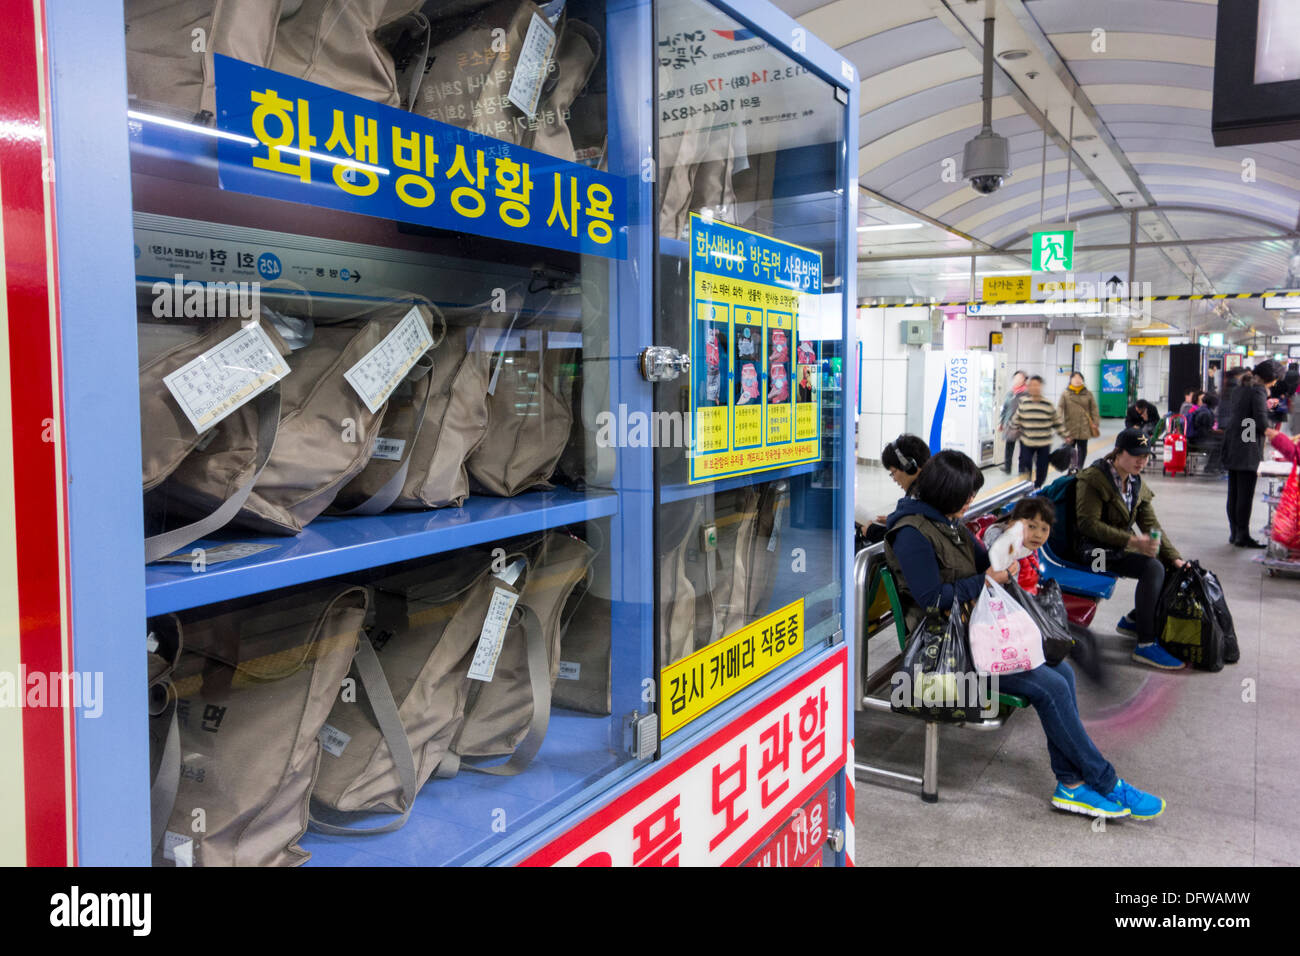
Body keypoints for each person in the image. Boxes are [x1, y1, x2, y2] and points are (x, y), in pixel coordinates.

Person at [884, 450, 1166, 820]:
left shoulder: (948, 524)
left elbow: (983, 563)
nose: (971, 501)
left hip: (980, 633)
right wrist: (983, 580)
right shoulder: (912, 534)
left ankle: (1071, 784)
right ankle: (1105, 781)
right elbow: (932, 598)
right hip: (950, 652)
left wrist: (1007, 553)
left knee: (1060, 672)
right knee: (1051, 686)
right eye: (967, 495)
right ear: (946, 493)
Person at [1073, 428, 1202, 669]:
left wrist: (1175, 559)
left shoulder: (1134, 483)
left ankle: (1135, 619)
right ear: (1118, 452)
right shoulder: (1094, 479)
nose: (1142, 461)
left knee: (1167, 565)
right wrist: (1132, 541)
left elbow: (1152, 525)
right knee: (1152, 567)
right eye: (1135, 455)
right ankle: (1145, 645)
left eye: (1145, 455)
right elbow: (1088, 525)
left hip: (1116, 547)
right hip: (1093, 551)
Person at [1221, 359, 1283, 548]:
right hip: (1246, 446)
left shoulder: (1241, 388)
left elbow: (1247, 417)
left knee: (1234, 492)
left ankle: (1234, 533)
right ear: (1270, 377)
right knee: (1245, 493)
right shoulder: (1258, 390)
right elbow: (1260, 421)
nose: (1275, 383)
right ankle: (1243, 535)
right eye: (1275, 379)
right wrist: (1275, 434)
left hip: (1234, 441)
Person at [857, 434, 932, 546]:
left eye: (893, 472)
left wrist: (872, 532)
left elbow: (908, 539)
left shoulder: (919, 499)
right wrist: (897, 520)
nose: (894, 479)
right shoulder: (932, 487)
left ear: (909, 466)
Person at [983, 496, 1055, 595]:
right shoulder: (1000, 544)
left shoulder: (1028, 545)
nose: (1038, 535)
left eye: (1044, 529)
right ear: (1014, 522)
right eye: (1032, 526)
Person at [1010, 375, 1068, 488]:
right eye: (1031, 385)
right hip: (1027, 441)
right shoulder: (1024, 403)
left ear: (1041, 387)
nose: (1034, 387)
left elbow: (1056, 421)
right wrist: (1013, 427)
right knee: (1025, 465)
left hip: (1044, 443)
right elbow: (1016, 419)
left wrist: (1065, 435)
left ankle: (1038, 486)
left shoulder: (1048, 404)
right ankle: (1025, 487)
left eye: (1037, 385)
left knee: (1042, 467)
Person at [1059, 372, 1101, 468]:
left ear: (1082, 380)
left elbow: (1094, 408)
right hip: (1070, 426)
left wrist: (1095, 422)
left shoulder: (1088, 394)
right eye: (1075, 378)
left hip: (1084, 426)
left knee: (1082, 448)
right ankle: (1072, 467)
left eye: (1079, 378)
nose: (1077, 380)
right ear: (1070, 380)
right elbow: (1060, 409)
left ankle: (1079, 467)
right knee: (1069, 448)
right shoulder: (1065, 394)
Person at [999, 369, 1028, 475]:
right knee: (1009, 446)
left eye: (1020, 378)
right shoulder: (1010, 393)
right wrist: (1001, 422)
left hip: (1023, 425)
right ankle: (1007, 467)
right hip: (1010, 424)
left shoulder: (1027, 393)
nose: (1018, 380)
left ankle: (1022, 468)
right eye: (1016, 378)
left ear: (1024, 380)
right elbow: (1005, 408)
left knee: (1024, 447)